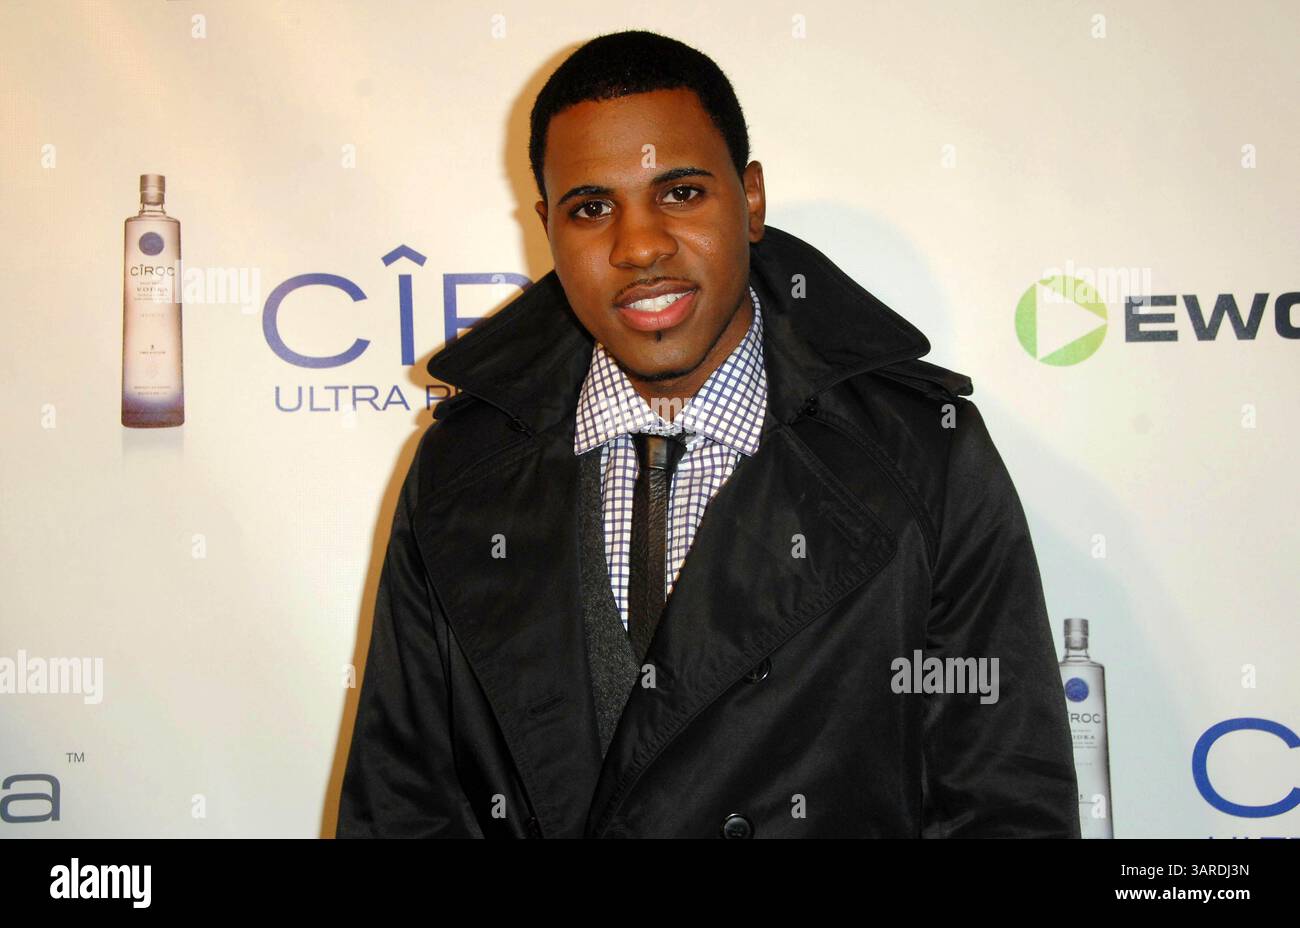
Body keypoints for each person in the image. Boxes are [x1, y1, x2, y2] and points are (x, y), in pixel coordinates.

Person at [336, 29, 1080, 838]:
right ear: (548, 227)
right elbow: (401, 803)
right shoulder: (460, 467)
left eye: (681, 193)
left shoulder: (923, 453)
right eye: (592, 209)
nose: (639, 246)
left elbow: (1004, 802)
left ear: (750, 200)